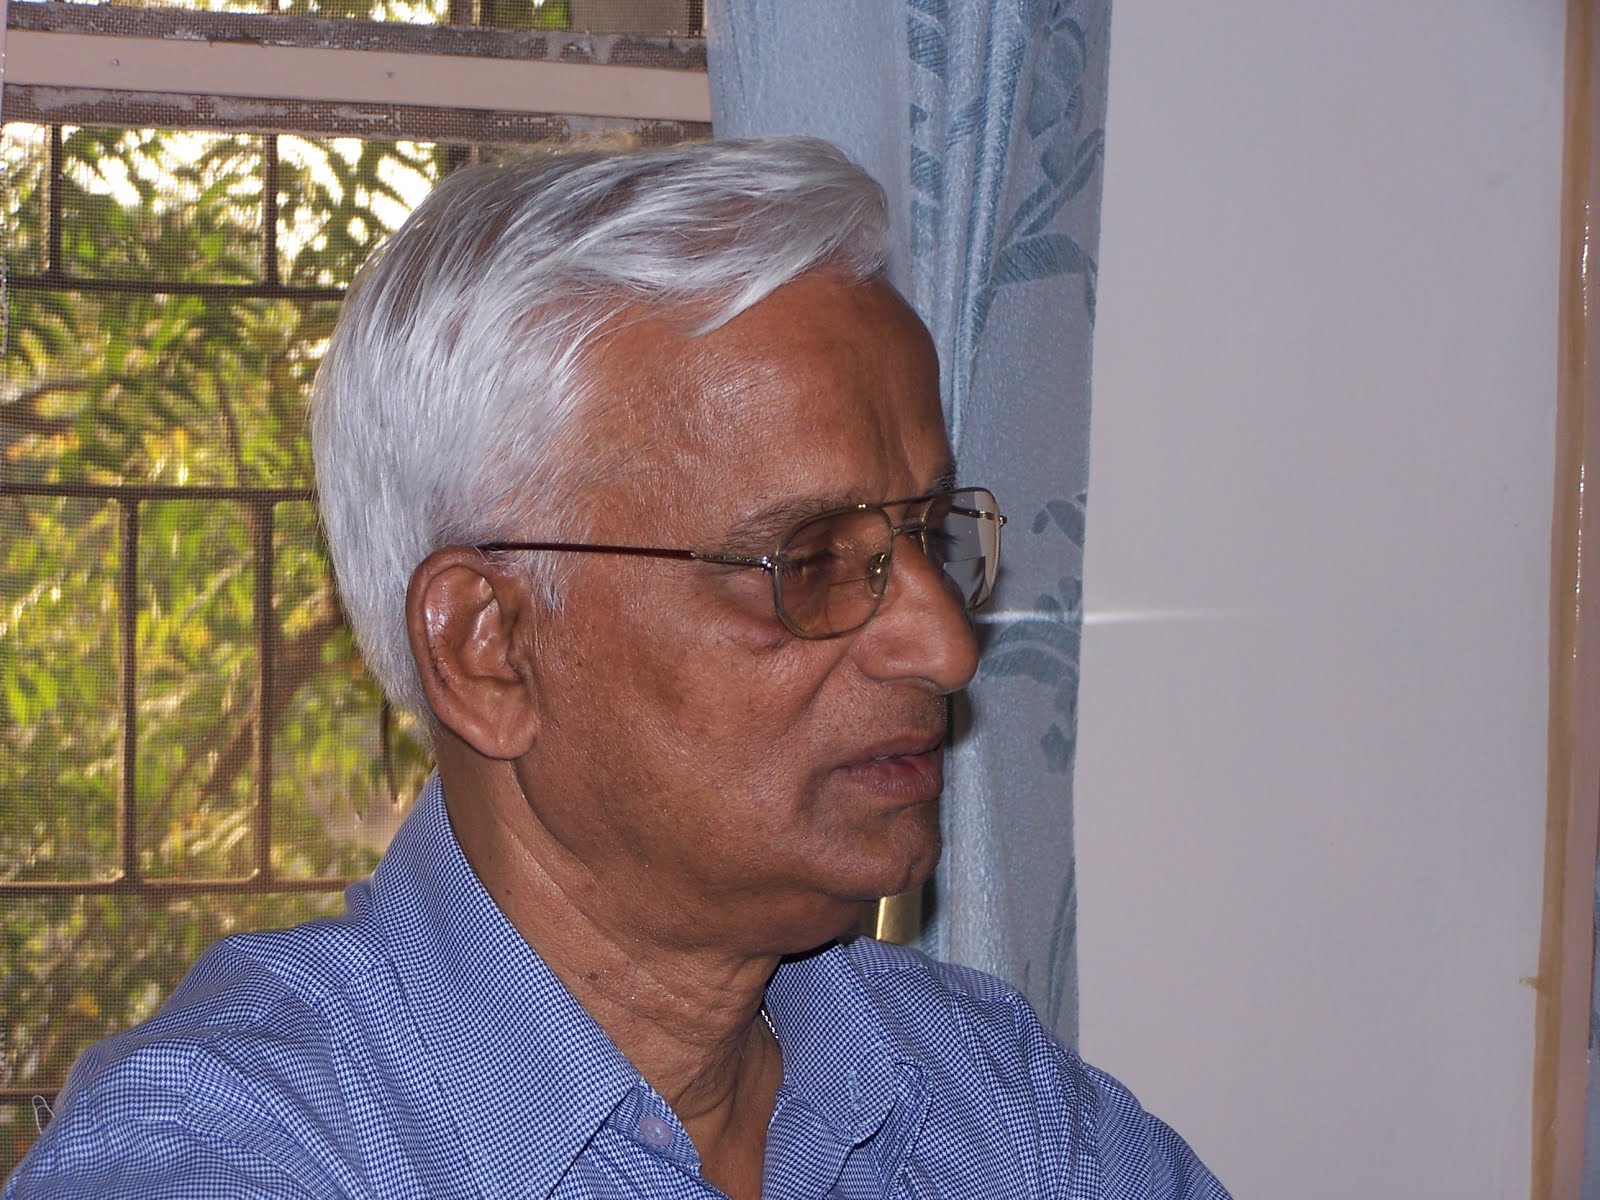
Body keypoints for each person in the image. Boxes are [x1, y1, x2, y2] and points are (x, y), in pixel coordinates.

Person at [4, 137, 1229, 1199]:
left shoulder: (986, 1108)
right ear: (490, 650)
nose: (943, 643)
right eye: (807, 560)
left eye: (925, 539)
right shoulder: (236, 1157)